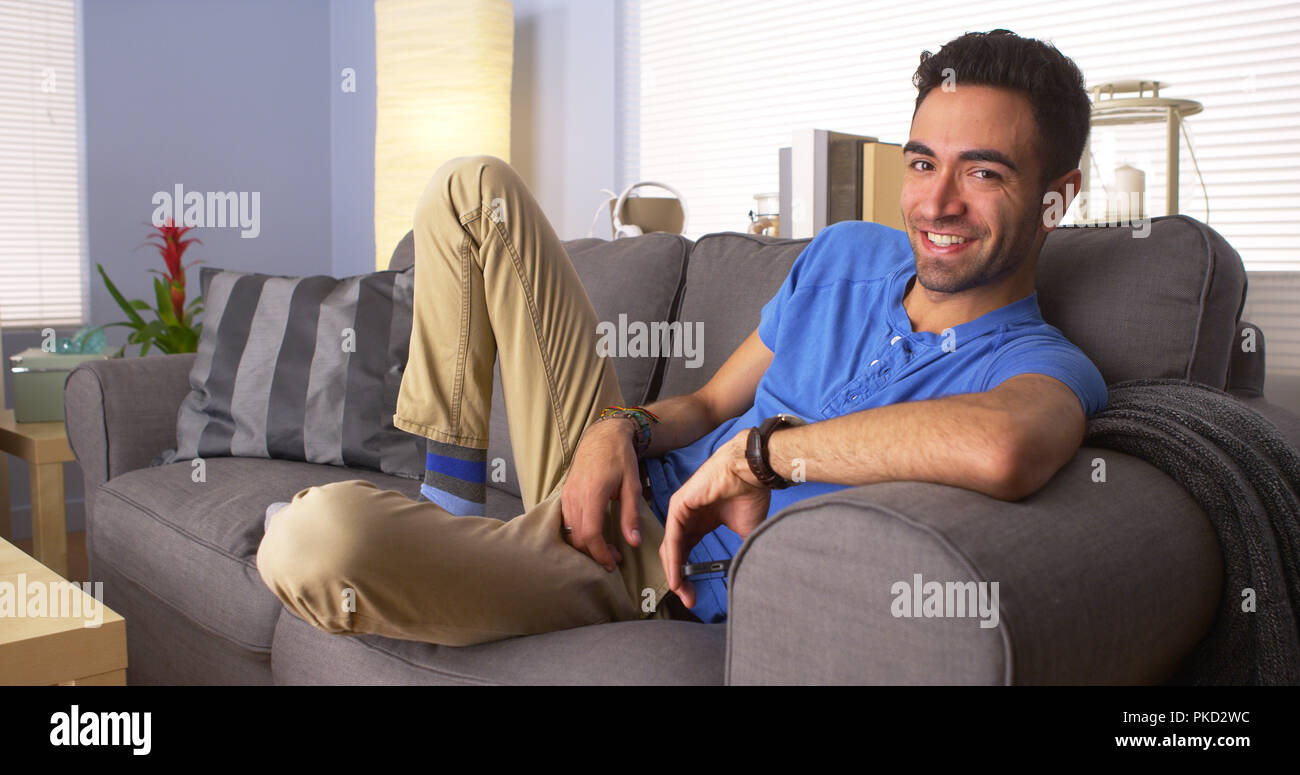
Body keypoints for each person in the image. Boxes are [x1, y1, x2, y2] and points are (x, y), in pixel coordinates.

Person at [256, 28, 1106, 644]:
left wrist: (762, 457)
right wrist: (615, 430)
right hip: (625, 479)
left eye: (984, 172)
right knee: (471, 187)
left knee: (313, 540)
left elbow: (1002, 447)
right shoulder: (848, 254)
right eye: (923, 163)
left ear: (1056, 197)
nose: (936, 202)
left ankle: (438, 545)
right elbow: (703, 403)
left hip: (651, 567)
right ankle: (448, 509)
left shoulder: (1037, 363)